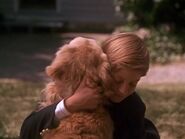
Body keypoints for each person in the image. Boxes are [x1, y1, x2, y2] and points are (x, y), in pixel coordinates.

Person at [20, 33, 160, 139]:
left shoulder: (132, 107)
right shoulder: (70, 88)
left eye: (133, 83)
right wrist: (69, 105)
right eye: (117, 81)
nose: (123, 90)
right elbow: (27, 131)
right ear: (102, 70)